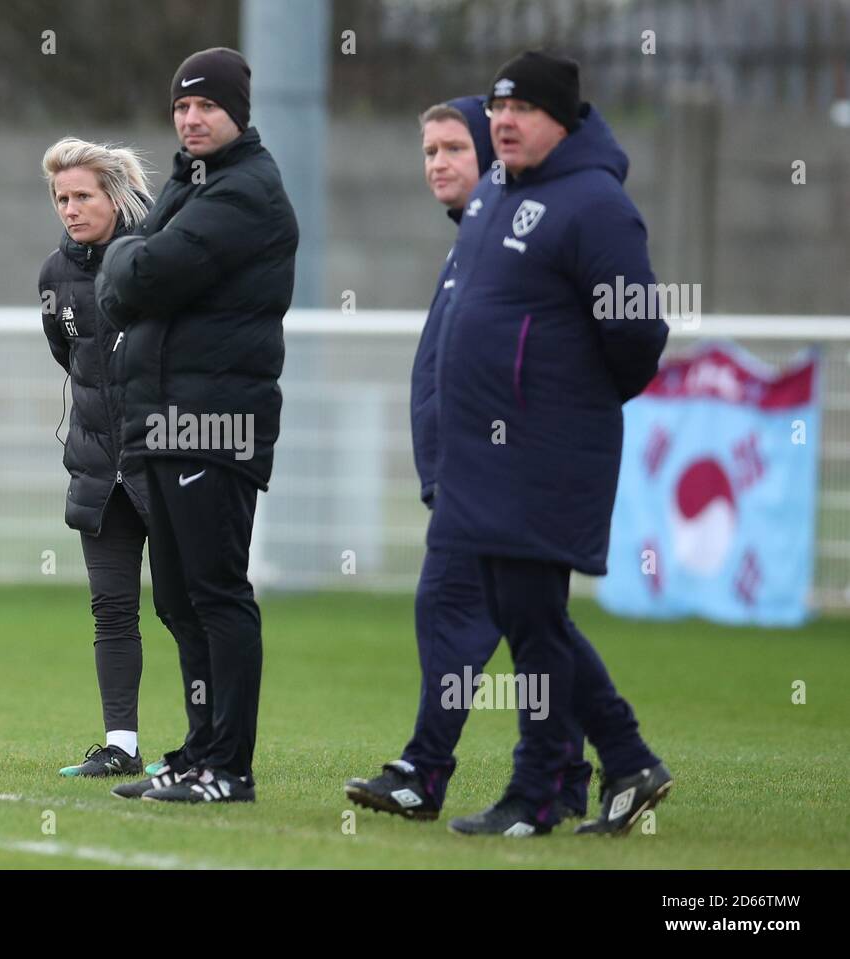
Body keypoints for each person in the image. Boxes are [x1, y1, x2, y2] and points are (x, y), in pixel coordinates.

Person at [429, 51, 673, 836]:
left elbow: (637, 332)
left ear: (561, 121)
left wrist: (565, 404)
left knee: (534, 617)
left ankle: (536, 791)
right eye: (497, 110)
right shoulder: (497, 188)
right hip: (483, 450)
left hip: (547, 449)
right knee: (529, 612)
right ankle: (628, 758)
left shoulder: (596, 205)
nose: (502, 122)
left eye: (522, 110)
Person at [344, 96, 592, 822]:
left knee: (453, 608)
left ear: (494, 156)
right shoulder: (479, 240)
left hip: (497, 477)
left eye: (454, 148)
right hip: (472, 474)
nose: (438, 164)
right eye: (429, 152)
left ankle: (425, 768)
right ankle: (572, 773)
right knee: (535, 624)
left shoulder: (516, 241)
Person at [96, 47, 298, 803]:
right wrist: (131, 262)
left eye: (205, 105)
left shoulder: (246, 190)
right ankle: (199, 749)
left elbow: (140, 276)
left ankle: (230, 766)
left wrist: (124, 253)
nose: (190, 117)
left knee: (215, 592)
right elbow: (132, 283)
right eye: (181, 107)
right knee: (177, 600)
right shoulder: (194, 182)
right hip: (165, 421)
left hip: (215, 424)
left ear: (237, 111)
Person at [38, 137, 157, 777]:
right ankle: (122, 746)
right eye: (62, 197)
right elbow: (72, 358)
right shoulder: (54, 276)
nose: (71, 208)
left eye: (83, 195)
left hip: (163, 463)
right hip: (98, 469)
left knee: (187, 607)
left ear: (115, 195)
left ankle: (210, 749)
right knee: (111, 610)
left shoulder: (159, 258)